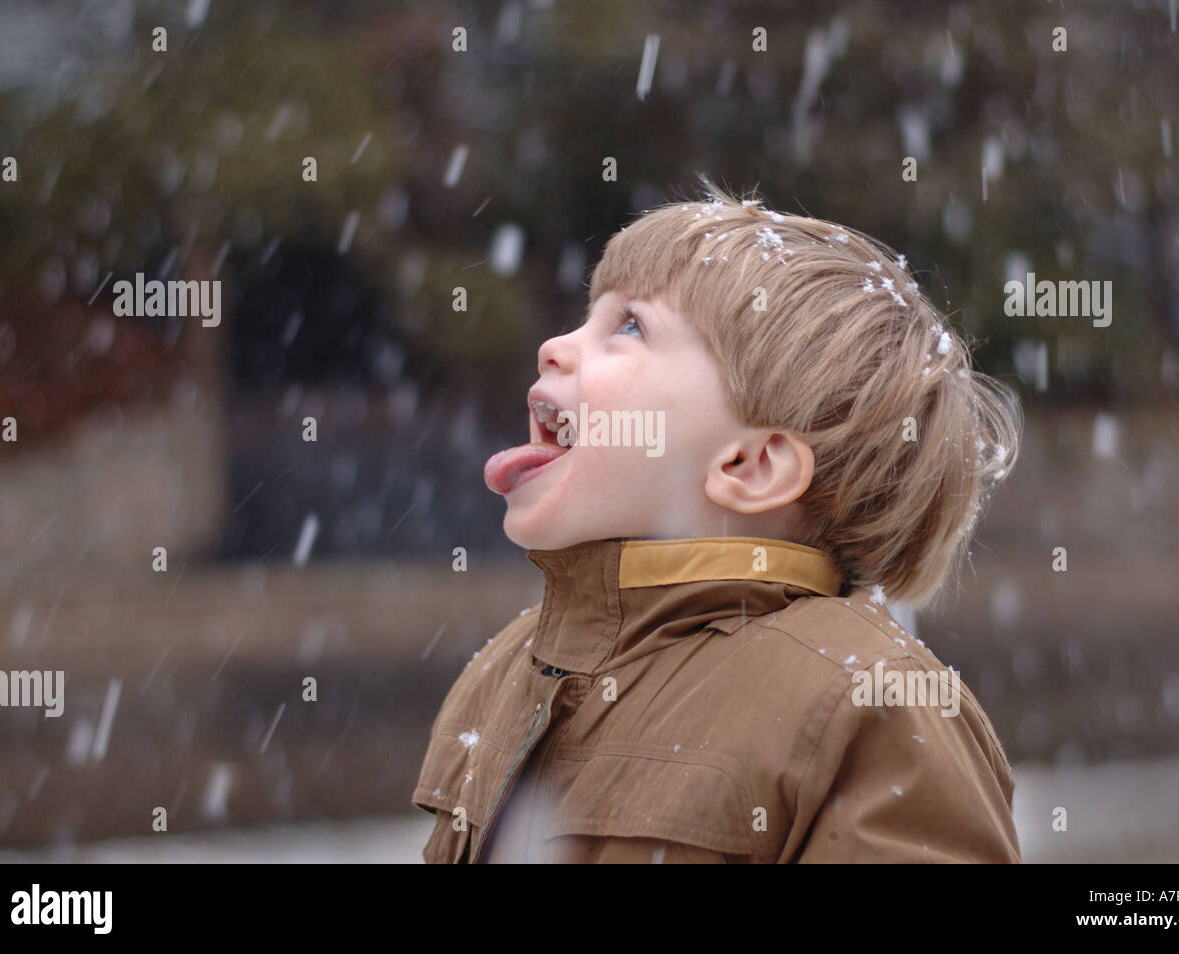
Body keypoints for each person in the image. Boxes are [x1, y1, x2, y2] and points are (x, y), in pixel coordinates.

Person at [412, 181, 1023, 863]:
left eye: (630, 327)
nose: (555, 346)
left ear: (750, 466)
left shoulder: (868, 702)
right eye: (588, 316)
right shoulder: (512, 666)